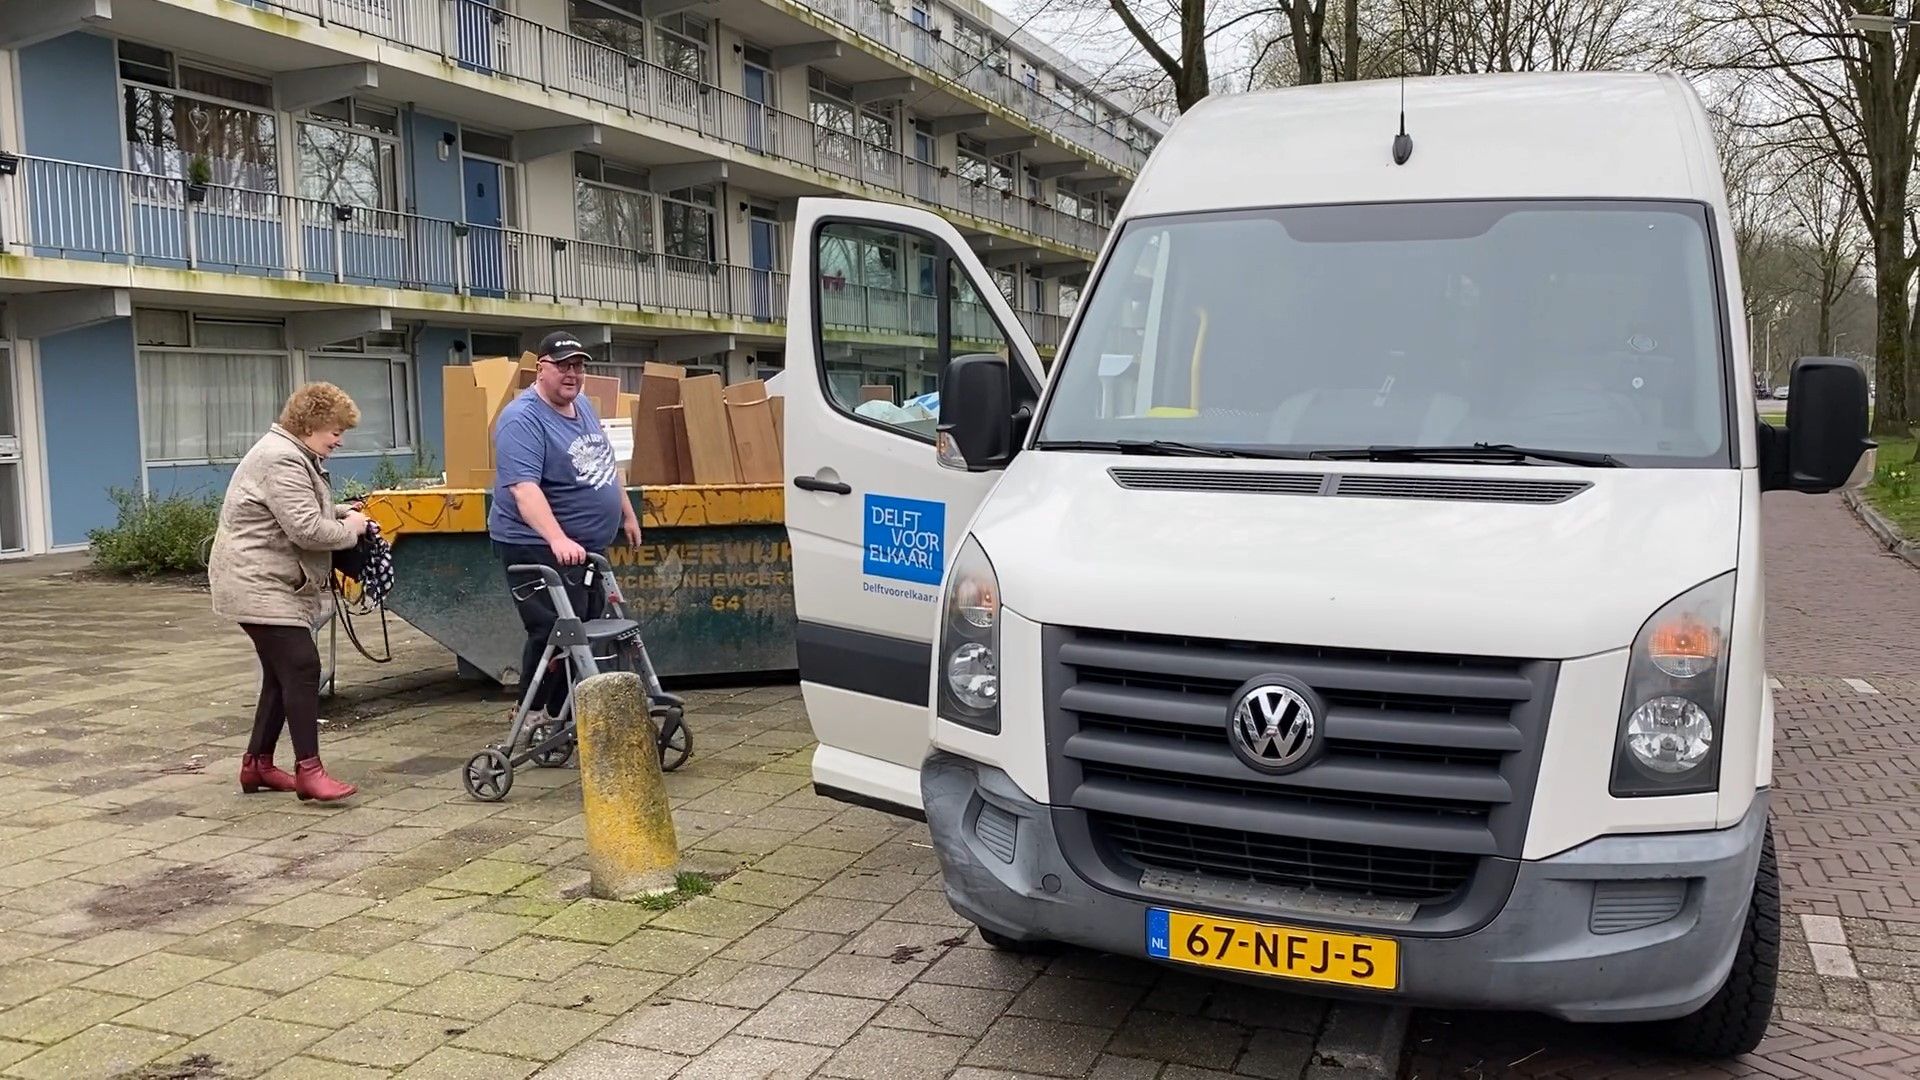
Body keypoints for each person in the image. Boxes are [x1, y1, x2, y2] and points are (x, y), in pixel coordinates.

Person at [207, 382, 373, 802]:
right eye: (335, 430)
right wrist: (350, 531)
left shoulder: (292, 453)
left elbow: (293, 510)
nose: (339, 439)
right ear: (311, 422)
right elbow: (306, 529)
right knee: (301, 667)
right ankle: (309, 772)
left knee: (282, 674)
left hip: (266, 580)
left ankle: (258, 766)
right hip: (257, 582)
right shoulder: (282, 458)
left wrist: (339, 511)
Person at [489, 331, 641, 723]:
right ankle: (533, 712)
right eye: (562, 366)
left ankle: (564, 713)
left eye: (578, 366)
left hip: (585, 548)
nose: (572, 374)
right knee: (554, 631)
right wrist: (556, 538)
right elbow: (524, 490)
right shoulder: (521, 420)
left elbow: (603, 464)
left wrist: (625, 511)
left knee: (584, 631)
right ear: (541, 369)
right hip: (534, 544)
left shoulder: (583, 405)